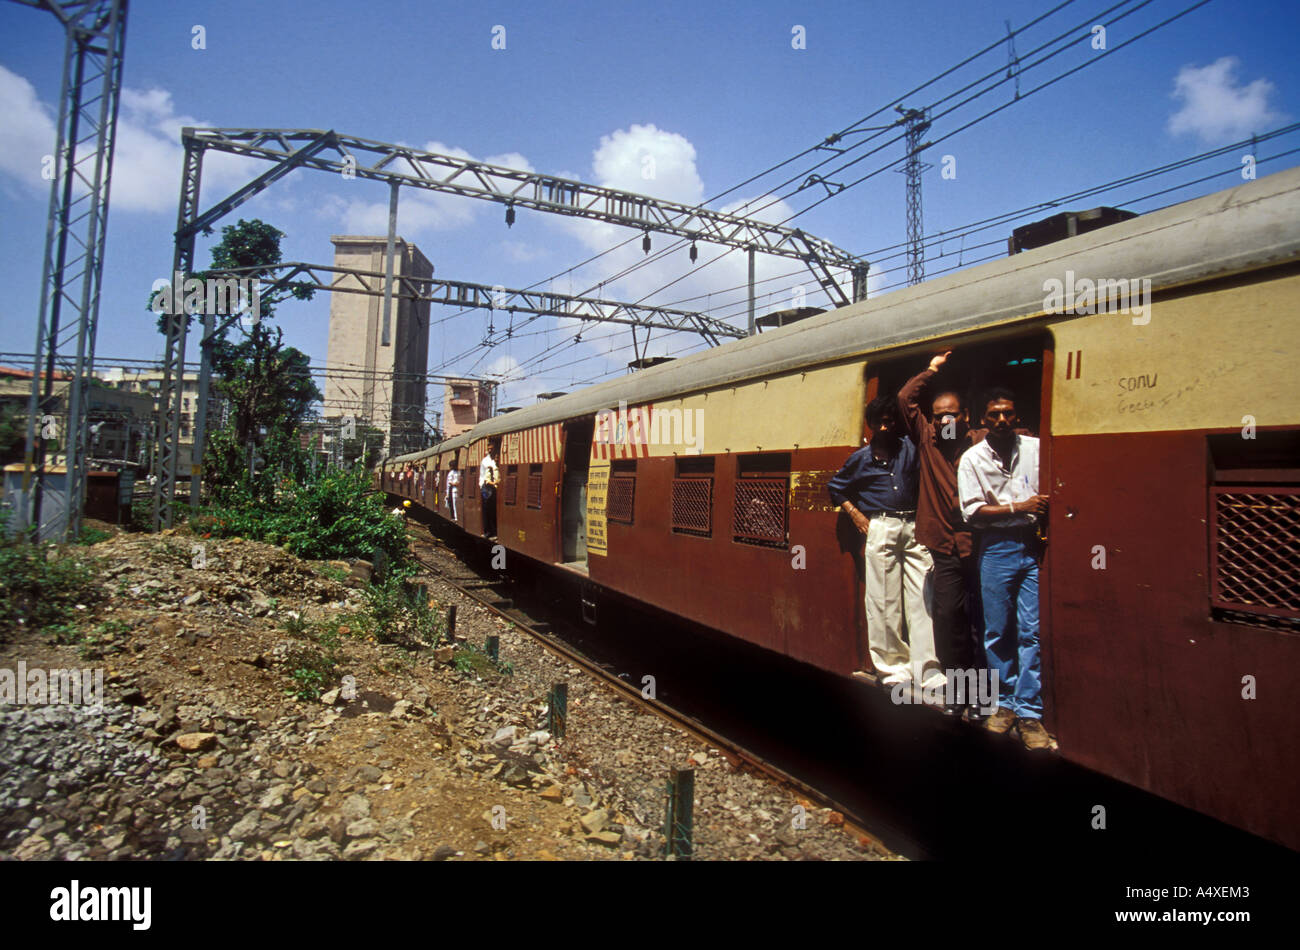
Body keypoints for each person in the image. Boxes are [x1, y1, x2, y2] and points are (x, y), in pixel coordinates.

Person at [957, 388, 1052, 750]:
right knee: (997, 631)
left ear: (1016, 416)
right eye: (994, 414)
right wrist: (1020, 506)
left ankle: (1029, 711)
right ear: (983, 419)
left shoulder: (1038, 448)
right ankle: (1005, 703)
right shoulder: (972, 459)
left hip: (1032, 545)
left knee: (1031, 630)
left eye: (1007, 413)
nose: (1001, 420)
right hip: (995, 549)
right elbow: (973, 512)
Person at [828, 395, 942, 693]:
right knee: (883, 600)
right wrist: (856, 516)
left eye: (888, 421)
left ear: (895, 423)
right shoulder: (860, 458)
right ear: (870, 425)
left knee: (922, 598)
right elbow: (836, 487)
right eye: (878, 422)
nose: (883, 427)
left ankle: (927, 669)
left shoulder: (909, 449)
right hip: (881, 526)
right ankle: (892, 668)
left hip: (913, 525)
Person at [898, 350, 985, 718]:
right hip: (945, 548)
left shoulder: (980, 440)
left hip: (981, 546)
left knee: (983, 621)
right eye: (938, 416)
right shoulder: (927, 438)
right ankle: (960, 690)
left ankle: (987, 693)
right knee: (949, 618)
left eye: (951, 414)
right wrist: (931, 371)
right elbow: (905, 398)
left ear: (964, 415)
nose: (945, 420)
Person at [479, 445, 500, 538]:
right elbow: (483, 476)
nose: (490, 450)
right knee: (487, 510)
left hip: (494, 487)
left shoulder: (495, 461)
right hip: (487, 487)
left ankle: (494, 531)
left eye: (492, 449)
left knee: (493, 511)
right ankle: (487, 531)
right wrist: (483, 487)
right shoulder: (485, 461)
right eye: (489, 449)